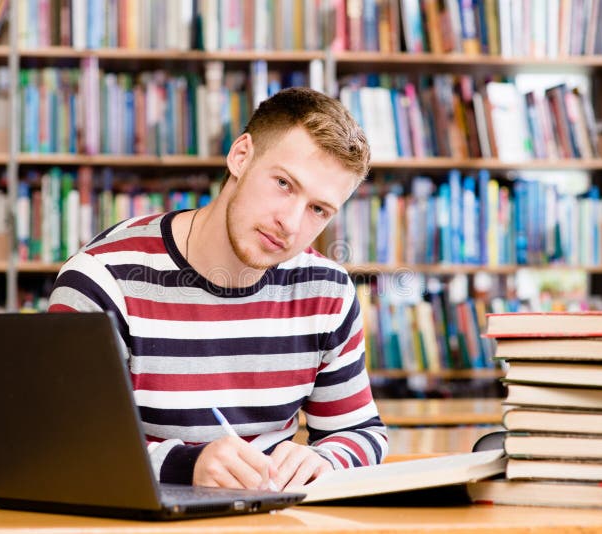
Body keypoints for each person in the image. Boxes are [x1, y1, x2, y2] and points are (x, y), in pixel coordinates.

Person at [48, 87, 388, 492]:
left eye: (318, 209)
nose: (291, 223)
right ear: (241, 156)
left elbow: (362, 431)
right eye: (283, 183)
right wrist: (185, 467)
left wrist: (325, 459)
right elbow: (63, 443)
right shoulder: (103, 278)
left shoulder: (326, 291)